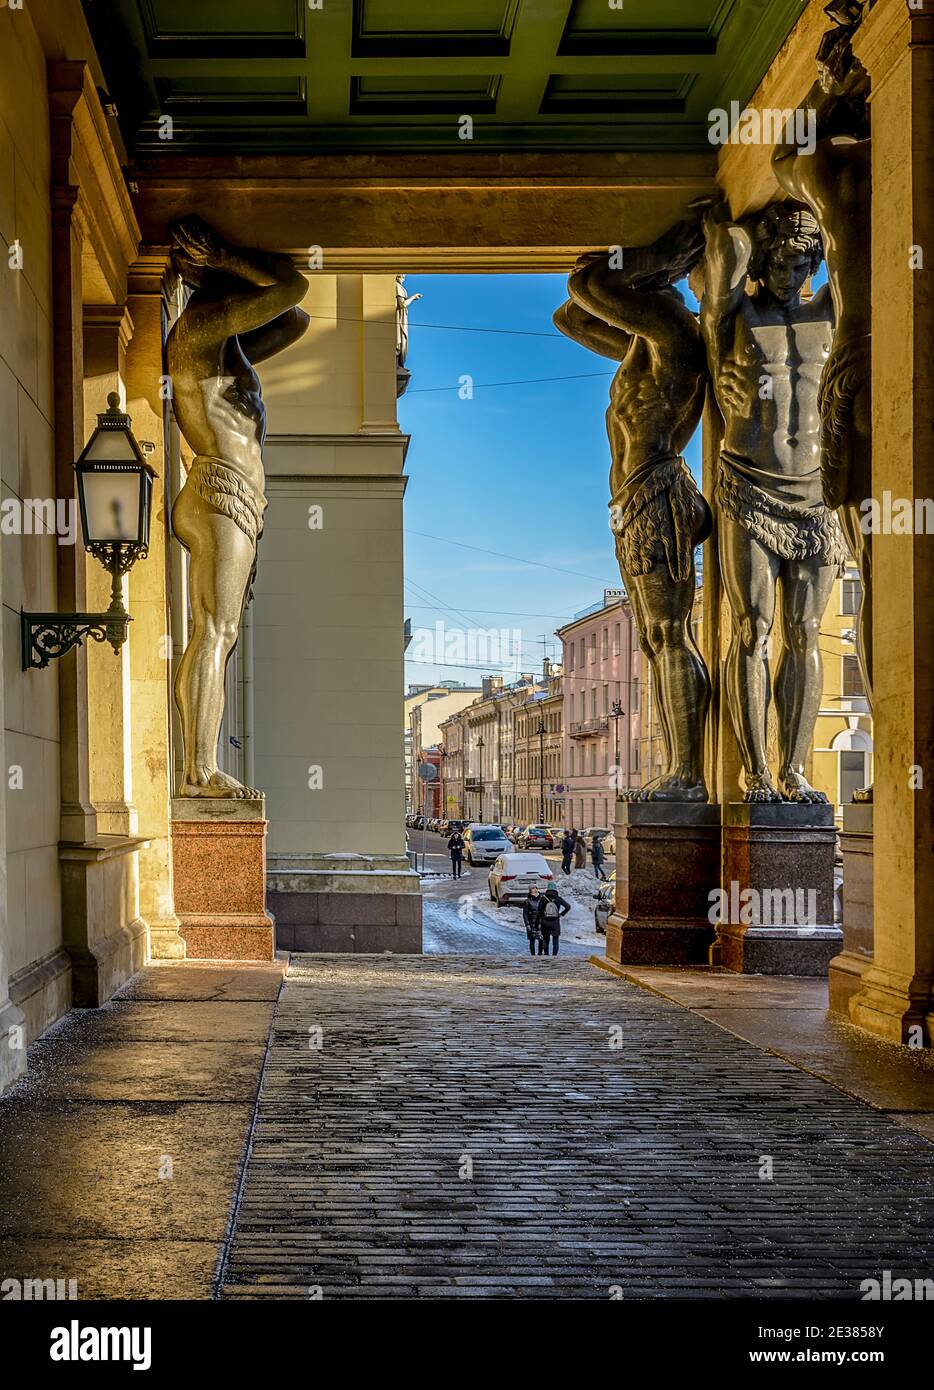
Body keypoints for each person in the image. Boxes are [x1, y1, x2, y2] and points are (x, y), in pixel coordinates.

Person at [538, 886, 571, 956]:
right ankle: (554, 956)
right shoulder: (558, 898)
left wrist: (539, 921)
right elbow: (568, 907)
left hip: (545, 922)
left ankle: (546, 955)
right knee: (555, 941)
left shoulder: (543, 899)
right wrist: (561, 914)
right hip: (555, 922)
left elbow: (539, 911)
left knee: (546, 940)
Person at [523, 886, 545, 957]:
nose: (535, 890)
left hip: (540, 923)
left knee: (541, 939)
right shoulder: (527, 901)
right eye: (533, 889)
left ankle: (540, 954)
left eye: (536, 888)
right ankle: (532, 955)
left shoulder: (542, 900)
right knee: (532, 940)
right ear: (530, 891)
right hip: (531, 923)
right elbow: (525, 914)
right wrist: (527, 925)